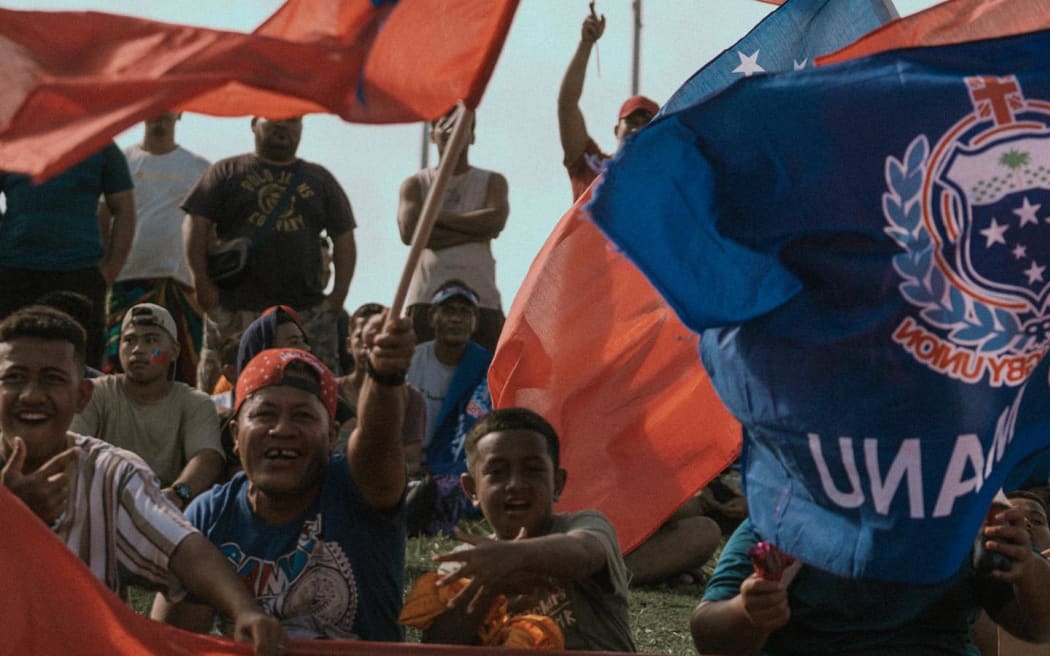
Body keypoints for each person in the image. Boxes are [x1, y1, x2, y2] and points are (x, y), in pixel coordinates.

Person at [0, 306, 285, 654]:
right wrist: (10, 517)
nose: (31, 395)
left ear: (82, 397)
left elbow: (180, 545)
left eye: (52, 379)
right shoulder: (108, 400)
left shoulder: (113, 473)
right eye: (13, 378)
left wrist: (245, 610)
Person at [151, 313, 415, 641]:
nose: (282, 430)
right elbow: (172, 643)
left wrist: (384, 375)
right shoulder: (209, 517)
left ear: (332, 435)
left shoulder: (358, 489)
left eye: (303, 415)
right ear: (234, 434)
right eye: (265, 414)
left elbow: (377, 438)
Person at [402, 407, 635, 651]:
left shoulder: (584, 524)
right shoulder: (467, 563)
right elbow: (437, 646)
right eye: (497, 472)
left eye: (533, 469)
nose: (515, 484)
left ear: (558, 483)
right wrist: (490, 587)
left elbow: (585, 552)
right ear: (471, 489)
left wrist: (513, 556)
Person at [690, 499, 1050, 656]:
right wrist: (748, 610)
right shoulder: (789, 514)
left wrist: (1027, 570)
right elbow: (709, 633)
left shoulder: (968, 513)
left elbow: (1037, 629)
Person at [183, 115, 356, 390]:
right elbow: (196, 224)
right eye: (273, 118)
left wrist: (337, 298)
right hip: (234, 307)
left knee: (315, 392)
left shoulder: (320, 179)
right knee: (220, 397)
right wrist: (202, 284)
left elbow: (344, 238)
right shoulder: (226, 172)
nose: (282, 126)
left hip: (305, 313)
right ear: (254, 123)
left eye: (292, 120)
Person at [71, 303, 224, 509]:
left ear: (174, 351)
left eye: (151, 340)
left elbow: (207, 457)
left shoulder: (195, 402)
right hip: (102, 504)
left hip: (169, 511)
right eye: (129, 340)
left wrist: (177, 494)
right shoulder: (94, 393)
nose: (138, 350)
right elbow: (73, 451)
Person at [0, 143, 136, 368]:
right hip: (14, 274)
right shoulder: (16, 137)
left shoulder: (100, 142)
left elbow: (123, 206)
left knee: (80, 366)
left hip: (79, 274)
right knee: (10, 364)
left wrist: (110, 270)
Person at [103, 111, 210, 386]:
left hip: (180, 288)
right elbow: (103, 217)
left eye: (167, 109)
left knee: (178, 372)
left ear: (180, 113)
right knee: (118, 370)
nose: (159, 117)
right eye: (154, 109)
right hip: (125, 284)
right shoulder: (121, 162)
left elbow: (211, 230)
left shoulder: (199, 168)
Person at [397, 109, 509, 351]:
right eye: (443, 125)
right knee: (420, 378)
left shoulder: (493, 181)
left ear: (472, 135)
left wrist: (433, 218)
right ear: (432, 135)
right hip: (425, 300)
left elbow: (495, 220)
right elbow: (410, 233)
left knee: (485, 379)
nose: (451, 130)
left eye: (461, 125)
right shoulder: (415, 184)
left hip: (483, 300)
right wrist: (476, 230)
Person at [406, 280, 492, 534]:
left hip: (457, 466)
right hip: (410, 462)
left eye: (464, 312)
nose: (456, 319)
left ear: (474, 322)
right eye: (448, 311)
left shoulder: (487, 368)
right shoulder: (410, 361)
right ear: (433, 317)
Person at [557, 4, 659, 201]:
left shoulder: (662, 185)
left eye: (646, 123)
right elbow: (567, 105)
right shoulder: (590, 164)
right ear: (616, 129)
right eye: (631, 121)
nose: (637, 128)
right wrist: (586, 44)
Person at [336, 302, 424, 473]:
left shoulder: (412, 397)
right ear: (348, 345)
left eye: (378, 335)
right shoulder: (329, 391)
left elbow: (412, 461)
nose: (369, 344)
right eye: (361, 337)